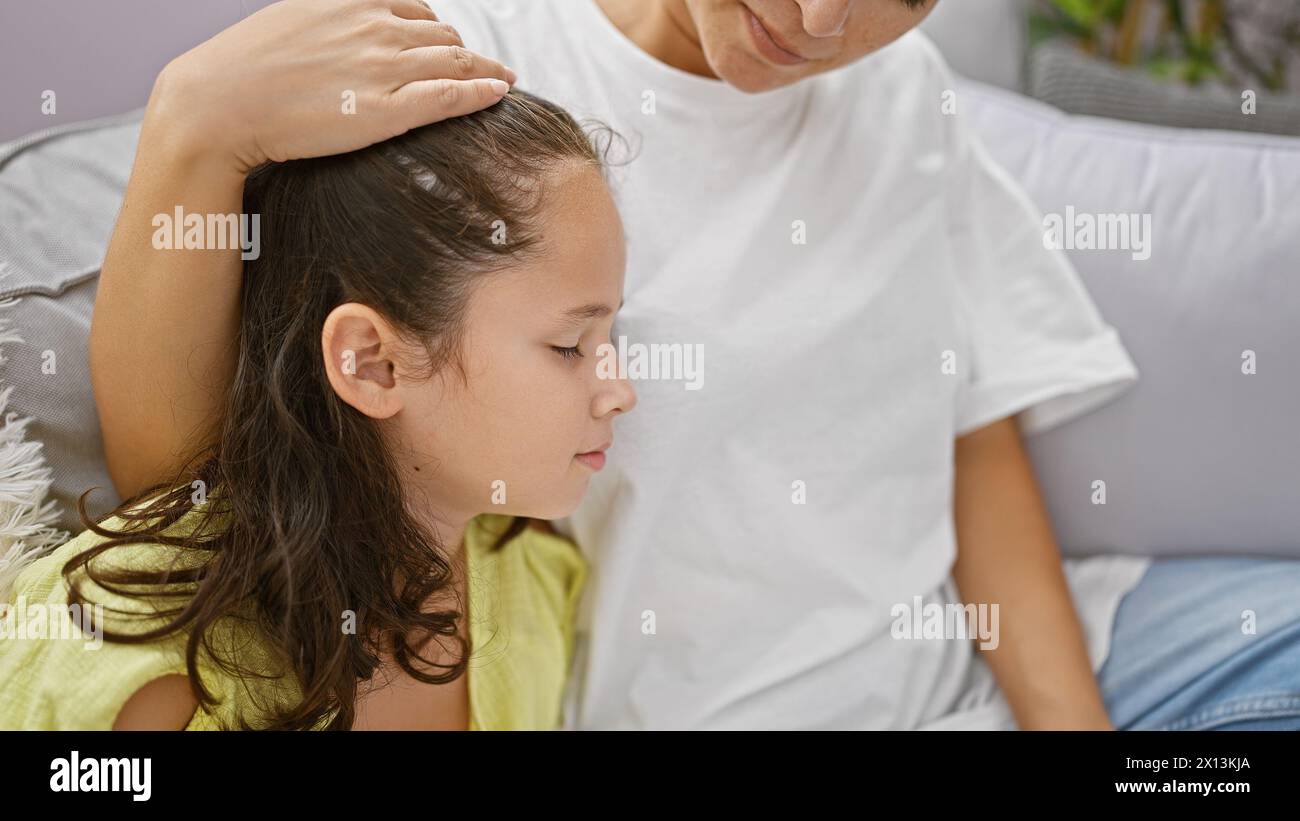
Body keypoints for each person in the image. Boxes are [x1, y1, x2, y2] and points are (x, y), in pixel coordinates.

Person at [90, 0, 1300, 730]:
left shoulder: (903, 95)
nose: (826, 23)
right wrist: (191, 125)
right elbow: (202, 492)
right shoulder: (471, 65)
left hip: (998, 679)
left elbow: (971, 439)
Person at [0, 88, 636, 730]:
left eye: (610, 335)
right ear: (372, 363)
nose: (622, 390)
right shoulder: (126, 651)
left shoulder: (531, 586)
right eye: (568, 346)